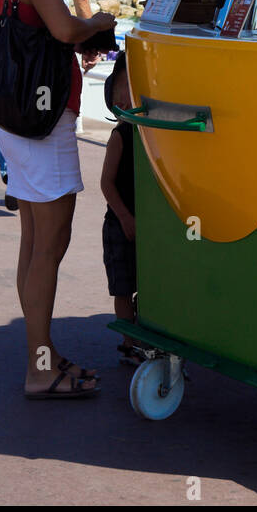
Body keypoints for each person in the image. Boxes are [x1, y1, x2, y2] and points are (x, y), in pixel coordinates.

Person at [0, 0, 116, 399]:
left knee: (33, 242)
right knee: (50, 246)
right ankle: (39, 369)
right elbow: (64, 30)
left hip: (13, 119)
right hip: (42, 120)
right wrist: (97, 23)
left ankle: (42, 353)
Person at [99, 52, 143, 365]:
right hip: (120, 224)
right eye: (120, 89)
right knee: (123, 288)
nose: (125, 97)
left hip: (144, 224)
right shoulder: (120, 136)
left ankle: (141, 338)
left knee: (147, 286)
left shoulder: (149, 136)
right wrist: (126, 218)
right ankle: (129, 344)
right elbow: (106, 183)